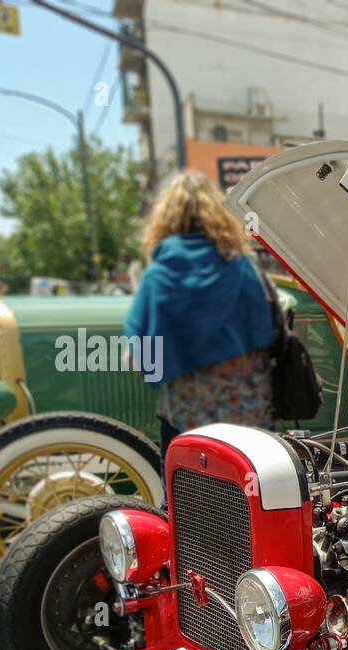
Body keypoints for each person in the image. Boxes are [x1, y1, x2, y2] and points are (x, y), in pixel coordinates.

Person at [124, 170, 275, 457]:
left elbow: (139, 358)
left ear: (165, 221)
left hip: (185, 419)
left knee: (184, 491)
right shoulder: (241, 267)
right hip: (246, 418)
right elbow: (265, 335)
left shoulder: (157, 277)